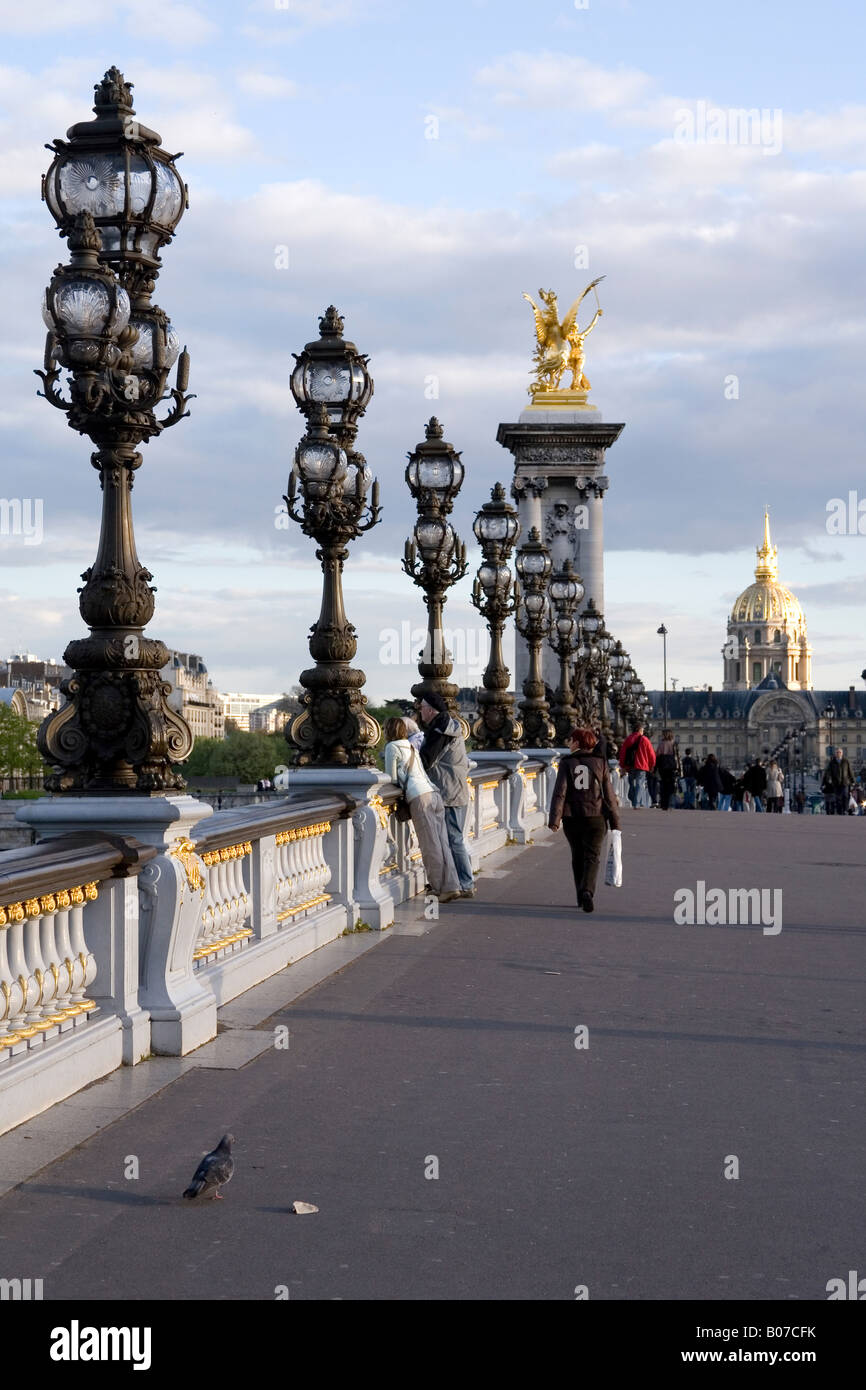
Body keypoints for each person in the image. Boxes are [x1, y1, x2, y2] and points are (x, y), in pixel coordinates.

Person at [383, 716, 461, 900]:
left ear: (389, 731)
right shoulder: (410, 746)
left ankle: (438, 888)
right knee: (442, 842)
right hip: (434, 793)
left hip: (419, 797)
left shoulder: (391, 747)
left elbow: (390, 778)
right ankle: (452, 885)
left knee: (429, 845)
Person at [548, 726, 621, 914]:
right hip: (596, 817)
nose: (569, 743)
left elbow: (560, 793)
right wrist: (615, 822)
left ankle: (580, 896)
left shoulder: (566, 763)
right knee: (592, 856)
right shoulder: (601, 763)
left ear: (578, 743)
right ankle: (587, 890)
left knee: (577, 856)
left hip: (573, 817)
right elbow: (609, 795)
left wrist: (555, 819)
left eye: (571, 740)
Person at [417, 694, 475, 899]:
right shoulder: (447, 727)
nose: (419, 709)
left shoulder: (440, 731)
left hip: (448, 791)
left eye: (422, 706)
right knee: (455, 838)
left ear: (431, 710)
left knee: (453, 839)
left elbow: (425, 760)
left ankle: (465, 884)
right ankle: (463, 882)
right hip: (454, 788)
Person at [618, 722, 655, 809]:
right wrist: (652, 765)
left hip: (630, 766)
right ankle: (637, 803)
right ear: (640, 730)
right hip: (641, 765)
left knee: (631, 784)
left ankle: (633, 799)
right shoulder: (645, 739)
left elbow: (623, 753)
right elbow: (651, 754)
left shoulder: (628, 739)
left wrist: (622, 765)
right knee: (640, 783)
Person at [822, 748, 854, 816]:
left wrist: (852, 780)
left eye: (839, 752)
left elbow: (850, 771)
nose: (838, 753)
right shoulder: (832, 762)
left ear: (842, 753)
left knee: (845, 796)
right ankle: (840, 811)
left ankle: (845, 810)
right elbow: (828, 771)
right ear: (835, 754)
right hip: (836, 783)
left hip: (845, 782)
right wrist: (828, 779)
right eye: (837, 752)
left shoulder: (846, 761)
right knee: (838, 798)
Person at [654, 729, 680, 810]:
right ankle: (670, 804)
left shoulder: (661, 744)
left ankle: (664, 804)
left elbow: (657, 755)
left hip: (663, 766)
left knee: (663, 785)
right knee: (671, 786)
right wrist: (679, 768)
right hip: (672, 766)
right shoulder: (674, 744)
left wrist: (655, 767)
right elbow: (678, 757)